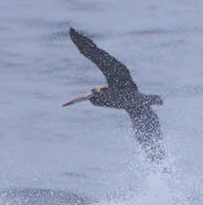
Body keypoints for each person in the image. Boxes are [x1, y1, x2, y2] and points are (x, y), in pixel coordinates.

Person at [63, 28, 166, 165]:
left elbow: (93, 52)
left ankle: (158, 161)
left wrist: (81, 44)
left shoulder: (118, 81)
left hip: (141, 101)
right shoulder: (124, 91)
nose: (93, 95)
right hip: (141, 103)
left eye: (95, 92)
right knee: (145, 140)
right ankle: (158, 162)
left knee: (146, 138)